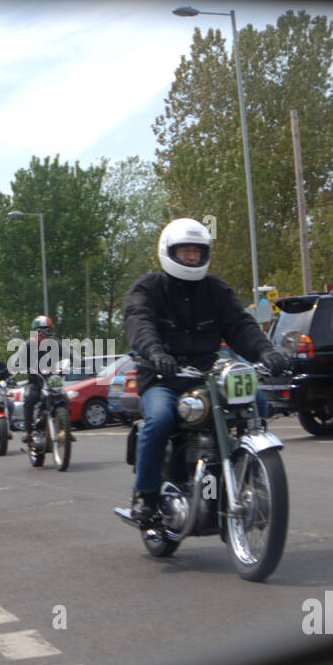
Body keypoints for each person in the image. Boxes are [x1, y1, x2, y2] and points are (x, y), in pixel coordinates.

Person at [122, 217, 283, 524]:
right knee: (159, 421)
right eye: (186, 251)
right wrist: (156, 352)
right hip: (163, 378)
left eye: (198, 251)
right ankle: (145, 495)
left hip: (208, 376)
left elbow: (240, 326)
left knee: (257, 404)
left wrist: (266, 351)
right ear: (169, 252)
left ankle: (249, 474)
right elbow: (139, 322)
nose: (193, 257)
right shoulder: (148, 288)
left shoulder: (216, 290)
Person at [21, 315, 68, 450]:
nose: (43, 334)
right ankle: (27, 430)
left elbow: (68, 353)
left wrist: (73, 360)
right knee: (30, 398)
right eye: (40, 331)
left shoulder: (55, 343)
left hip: (51, 380)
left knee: (64, 398)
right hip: (35, 381)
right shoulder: (28, 345)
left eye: (46, 331)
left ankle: (66, 428)